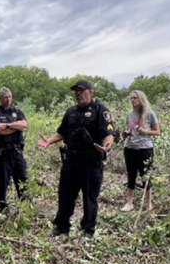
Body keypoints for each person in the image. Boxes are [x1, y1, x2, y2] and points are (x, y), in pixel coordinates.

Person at [37, 80, 115, 237]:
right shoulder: (71, 111)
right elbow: (62, 132)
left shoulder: (100, 110)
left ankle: (88, 230)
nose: (78, 93)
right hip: (71, 160)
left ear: (90, 92)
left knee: (90, 196)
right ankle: (62, 227)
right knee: (65, 194)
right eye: (76, 91)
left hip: (91, 161)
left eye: (82, 90)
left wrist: (107, 146)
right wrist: (49, 141)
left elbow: (108, 133)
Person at [0, 87, 29, 214]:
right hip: (4, 154)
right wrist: (16, 126)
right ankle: (3, 212)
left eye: (10, 97)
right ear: (0, 99)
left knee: (23, 181)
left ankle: (27, 209)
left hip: (17, 152)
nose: (8, 100)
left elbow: (24, 125)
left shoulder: (17, 111)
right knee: (3, 183)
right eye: (5, 97)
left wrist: (7, 125)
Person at [122, 90, 161, 211]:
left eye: (135, 98)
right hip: (130, 148)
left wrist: (144, 131)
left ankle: (149, 205)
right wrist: (126, 134)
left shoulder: (150, 114)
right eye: (131, 98)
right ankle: (129, 203)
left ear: (141, 99)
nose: (133, 100)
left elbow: (157, 132)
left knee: (146, 176)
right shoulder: (129, 114)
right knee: (131, 175)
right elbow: (129, 130)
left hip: (145, 149)